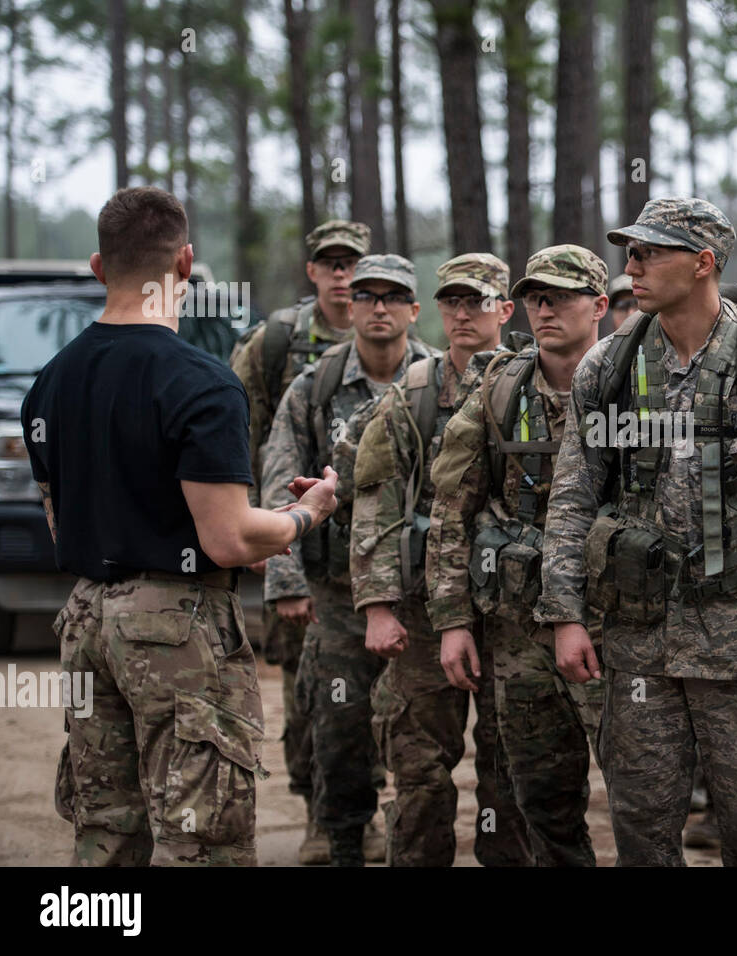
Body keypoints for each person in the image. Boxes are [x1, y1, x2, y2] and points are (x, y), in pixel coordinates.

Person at [24, 186, 339, 865]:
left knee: (105, 826)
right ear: (186, 263)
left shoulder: (49, 381)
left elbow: (60, 519)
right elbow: (226, 538)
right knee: (202, 832)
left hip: (83, 619)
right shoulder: (200, 382)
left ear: (98, 267)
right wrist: (306, 513)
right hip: (176, 621)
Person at [535, 198, 737, 866]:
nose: (631, 267)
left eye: (649, 253)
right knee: (641, 831)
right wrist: (564, 613)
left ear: (703, 264)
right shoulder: (609, 368)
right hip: (637, 641)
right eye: (629, 253)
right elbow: (572, 496)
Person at [427, 244, 611, 865]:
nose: (545, 309)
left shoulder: (641, 383)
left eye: (561, 297)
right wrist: (453, 621)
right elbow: (452, 509)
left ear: (601, 306)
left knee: (644, 797)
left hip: (622, 625)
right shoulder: (498, 388)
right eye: (536, 297)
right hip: (519, 629)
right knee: (541, 799)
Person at [349, 253, 532, 866]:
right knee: (420, 768)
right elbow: (375, 499)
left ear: (505, 310)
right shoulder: (416, 393)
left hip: (514, 610)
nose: (462, 313)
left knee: (512, 768)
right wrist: (378, 607)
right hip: (428, 611)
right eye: (452, 301)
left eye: (477, 301)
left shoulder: (535, 385)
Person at [262, 253, 435, 866]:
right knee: (335, 717)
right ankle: (339, 836)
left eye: (393, 297)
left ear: (414, 310)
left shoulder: (437, 380)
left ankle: (398, 833)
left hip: (418, 590)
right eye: (367, 296)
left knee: (413, 726)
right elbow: (280, 477)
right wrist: (285, 578)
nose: (379, 307)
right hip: (337, 590)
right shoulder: (315, 386)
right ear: (350, 308)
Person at [230, 218, 368, 864]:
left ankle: (363, 815)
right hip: (292, 541)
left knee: (371, 696)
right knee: (306, 689)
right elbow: (244, 438)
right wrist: (271, 552)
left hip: (364, 561)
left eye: (352, 263)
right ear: (311, 270)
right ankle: (318, 811)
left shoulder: (392, 336)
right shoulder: (275, 343)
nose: (342, 274)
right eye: (329, 262)